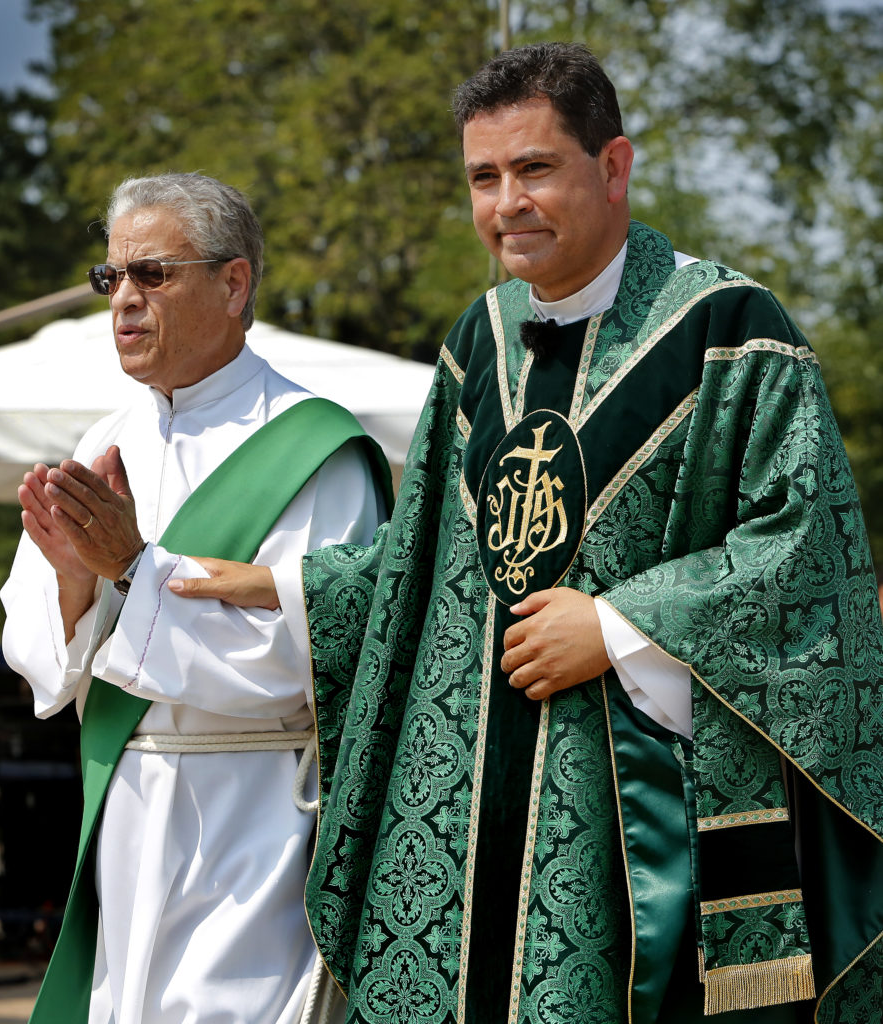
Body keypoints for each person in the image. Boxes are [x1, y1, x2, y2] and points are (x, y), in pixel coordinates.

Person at [171, 44, 883, 1023]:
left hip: (638, 822)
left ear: (614, 166)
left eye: (535, 168)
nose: (507, 202)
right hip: (472, 814)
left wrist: (620, 627)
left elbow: (804, 559)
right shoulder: (479, 340)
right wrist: (282, 584)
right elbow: (432, 557)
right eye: (483, 177)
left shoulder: (729, 331)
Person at [0, 172, 389, 1024]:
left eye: (153, 275)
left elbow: (311, 657)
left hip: (255, 823)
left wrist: (134, 570)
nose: (124, 301)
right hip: (125, 806)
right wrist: (75, 583)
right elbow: (36, 656)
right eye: (113, 278)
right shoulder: (105, 440)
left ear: (235, 282)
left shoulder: (319, 450)